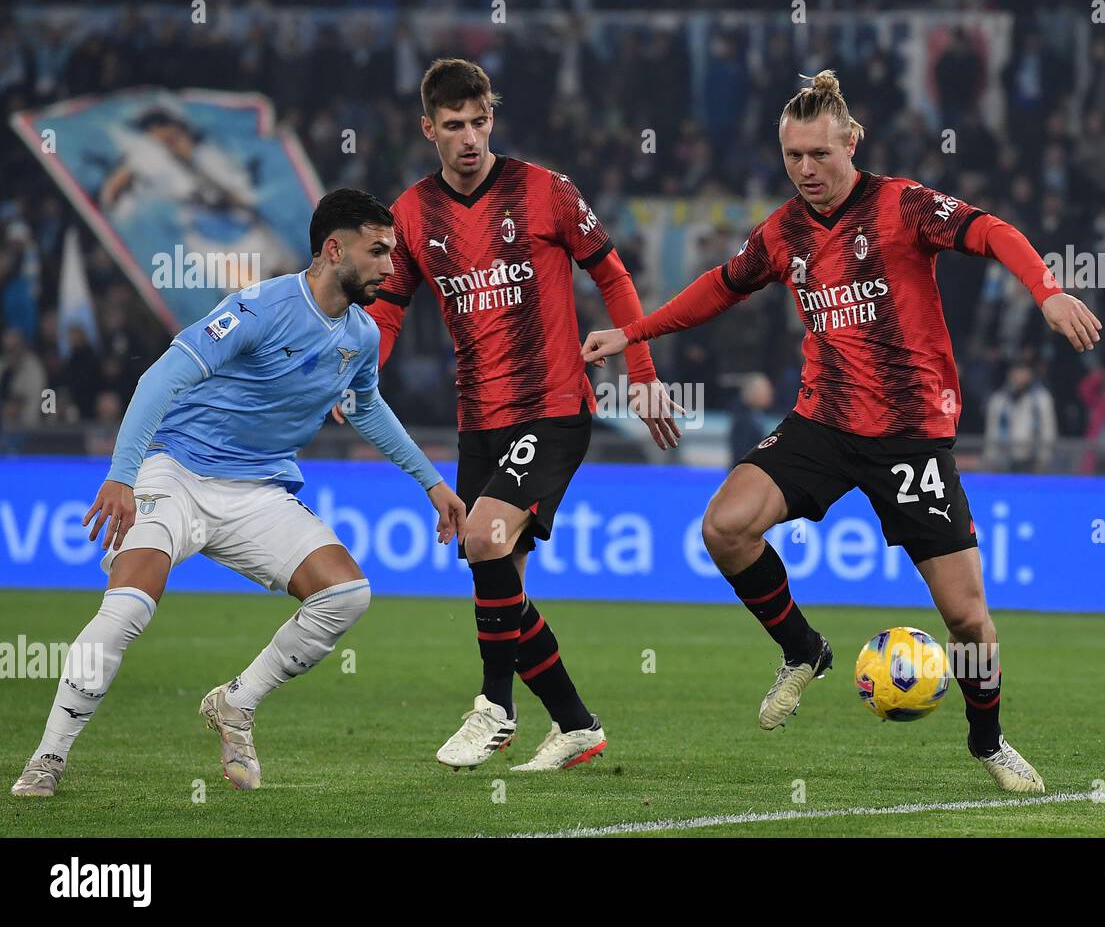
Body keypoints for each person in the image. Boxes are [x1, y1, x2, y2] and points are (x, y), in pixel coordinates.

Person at [583, 71, 1103, 794]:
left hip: (910, 435)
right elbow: (718, 288)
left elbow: (991, 230)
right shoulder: (783, 231)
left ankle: (989, 740)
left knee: (968, 618)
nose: (805, 170)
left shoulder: (903, 204)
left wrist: (1045, 291)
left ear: (851, 141)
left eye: (818, 155)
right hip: (823, 422)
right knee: (725, 527)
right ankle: (804, 650)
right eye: (793, 156)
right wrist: (633, 334)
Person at [11, 189, 465, 797]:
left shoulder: (359, 333)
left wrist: (433, 483)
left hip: (258, 491)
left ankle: (235, 703)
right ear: (334, 250)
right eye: (378, 251)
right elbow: (162, 376)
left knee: (347, 595)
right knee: (124, 611)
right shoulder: (261, 308)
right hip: (176, 474)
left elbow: (368, 407)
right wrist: (123, 473)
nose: (391, 265)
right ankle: (48, 757)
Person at [362, 59, 680, 771]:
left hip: (555, 406)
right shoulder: (411, 215)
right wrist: (357, 371)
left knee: (483, 540)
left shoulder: (546, 191)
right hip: (480, 416)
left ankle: (495, 709)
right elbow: (387, 308)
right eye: (453, 126)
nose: (469, 138)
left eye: (479, 122)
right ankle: (575, 723)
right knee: (496, 574)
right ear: (428, 130)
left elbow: (612, 272)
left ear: (491, 119)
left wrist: (642, 370)